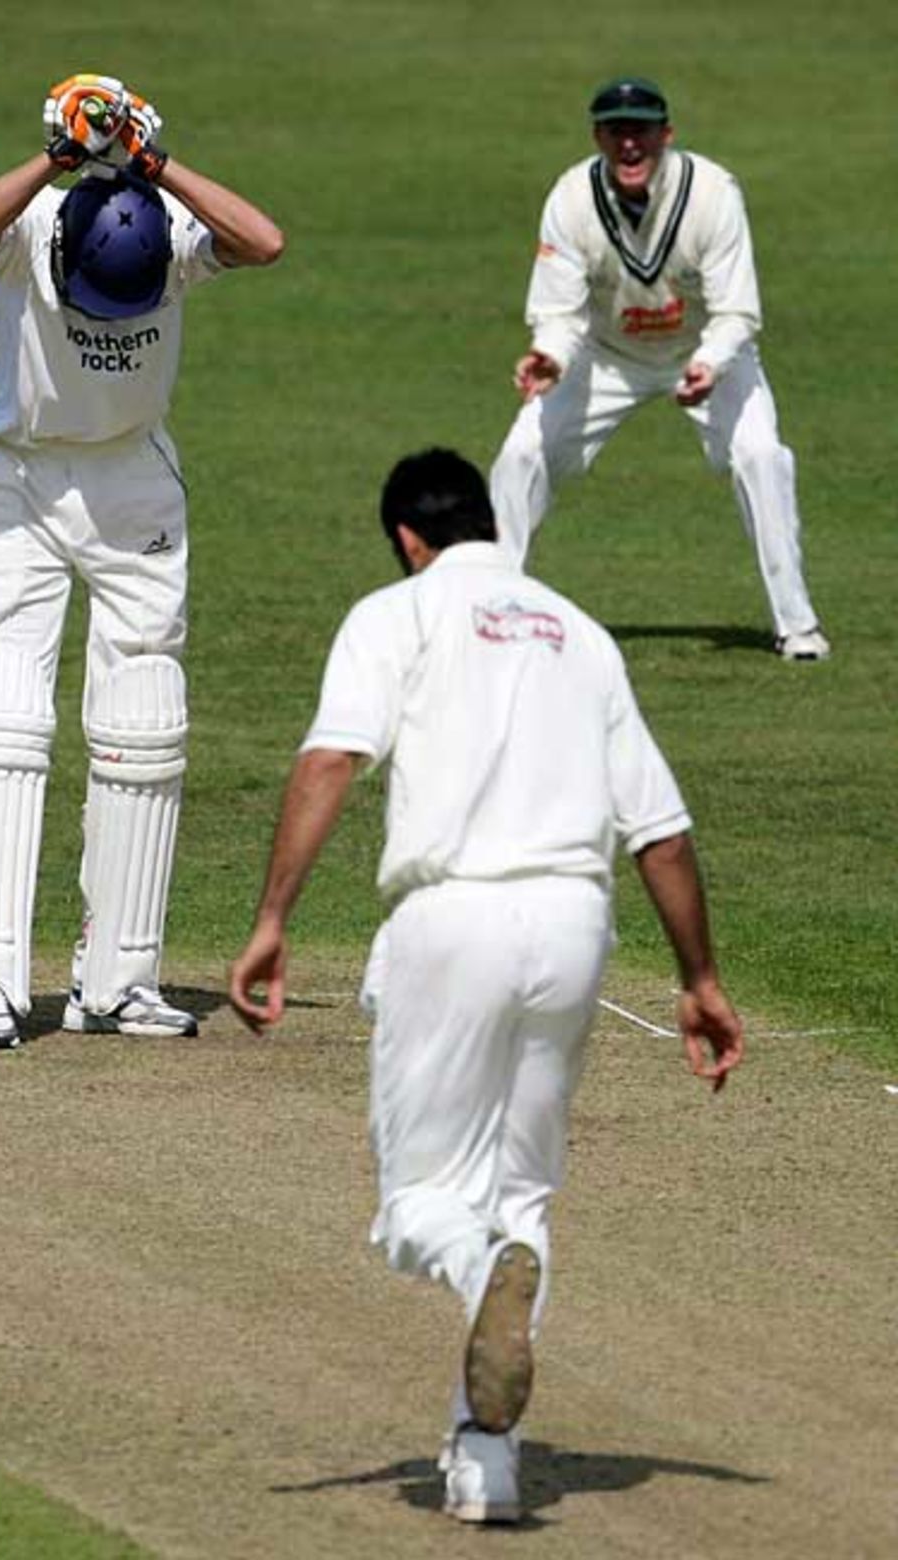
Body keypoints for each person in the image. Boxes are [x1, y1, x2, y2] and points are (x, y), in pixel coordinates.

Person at [228, 449, 744, 1525]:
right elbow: (660, 829)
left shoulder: (397, 614)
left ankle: (483, 1273)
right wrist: (698, 979)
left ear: (410, 540)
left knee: (424, 1208)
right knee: (524, 1193)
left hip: (451, 917)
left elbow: (332, 761)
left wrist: (273, 919)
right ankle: (486, 1467)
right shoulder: (578, 632)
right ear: (488, 524)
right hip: (573, 929)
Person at [0, 72, 284, 1048]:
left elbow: (265, 242)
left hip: (134, 480)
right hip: (21, 477)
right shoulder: (27, 227)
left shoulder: (165, 230)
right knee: (4, 717)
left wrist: (158, 166)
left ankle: (119, 980)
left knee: (147, 717)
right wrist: (56, 159)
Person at [490, 76, 829, 662]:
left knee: (761, 456)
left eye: (641, 131)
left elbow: (737, 311)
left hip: (706, 352)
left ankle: (796, 626)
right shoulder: (571, 199)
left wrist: (708, 363)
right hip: (604, 357)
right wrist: (550, 357)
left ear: (665, 135)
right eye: (617, 132)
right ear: (598, 136)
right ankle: (493, 613)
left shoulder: (713, 193)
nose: (629, 145)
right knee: (520, 455)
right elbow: (557, 311)